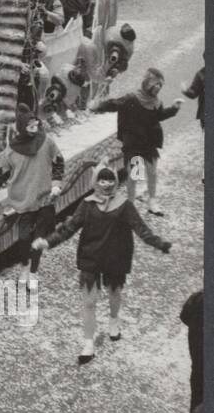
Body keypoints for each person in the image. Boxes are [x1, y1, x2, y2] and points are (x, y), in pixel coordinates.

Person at [32, 164, 171, 365]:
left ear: (115, 181)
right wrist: (48, 241)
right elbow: (68, 228)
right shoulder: (87, 205)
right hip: (91, 258)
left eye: (110, 180)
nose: (106, 184)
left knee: (114, 293)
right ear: (95, 182)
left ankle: (114, 320)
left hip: (116, 257)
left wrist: (159, 243)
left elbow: (141, 228)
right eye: (102, 180)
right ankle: (88, 344)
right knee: (89, 301)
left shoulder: (124, 205)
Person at [90, 68, 182, 215]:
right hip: (134, 144)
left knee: (152, 172)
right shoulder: (132, 98)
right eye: (155, 85)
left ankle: (152, 201)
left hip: (149, 143)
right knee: (134, 175)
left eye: (160, 86)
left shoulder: (156, 102)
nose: (157, 89)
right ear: (147, 84)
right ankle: (131, 205)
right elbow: (114, 104)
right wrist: (98, 107)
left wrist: (174, 109)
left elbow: (159, 116)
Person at [0, 105, 64, 270]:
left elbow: (58, 162)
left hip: (44, 197)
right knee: (23, 237)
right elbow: (1, 174)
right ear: (22, 128)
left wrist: (56, 184)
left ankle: (33, 271)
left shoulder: (46, 142)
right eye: (30, 127)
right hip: (23, 200)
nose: (34, 130)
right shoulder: (11, 151)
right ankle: (24, 267)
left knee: (38, 239)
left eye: (36, 126)